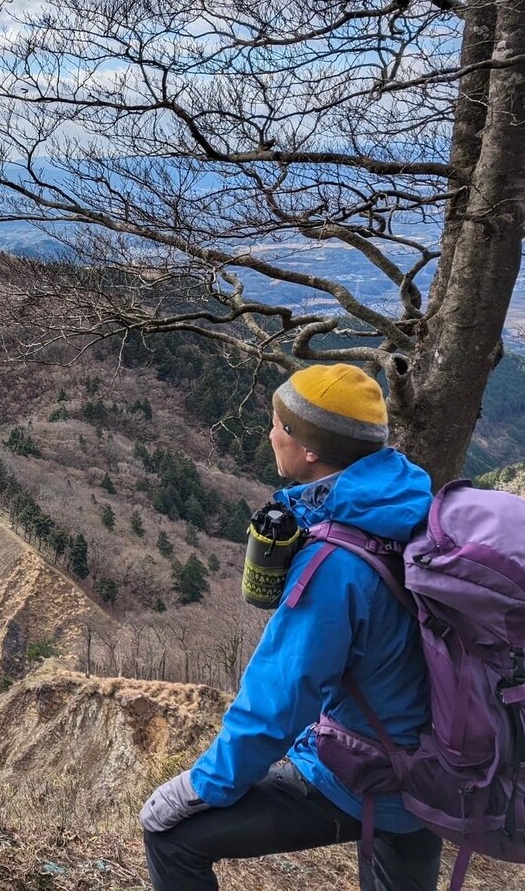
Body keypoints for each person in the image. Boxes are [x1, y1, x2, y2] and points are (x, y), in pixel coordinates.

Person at [140, 363, 443, 890]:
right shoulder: (413, 506)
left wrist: (202, 786)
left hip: (368, 774)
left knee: (172, 838)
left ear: (307, 449)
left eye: (279, 424)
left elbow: (278, 700)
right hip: (436, 765)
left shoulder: (334, 564)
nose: (270, 432)